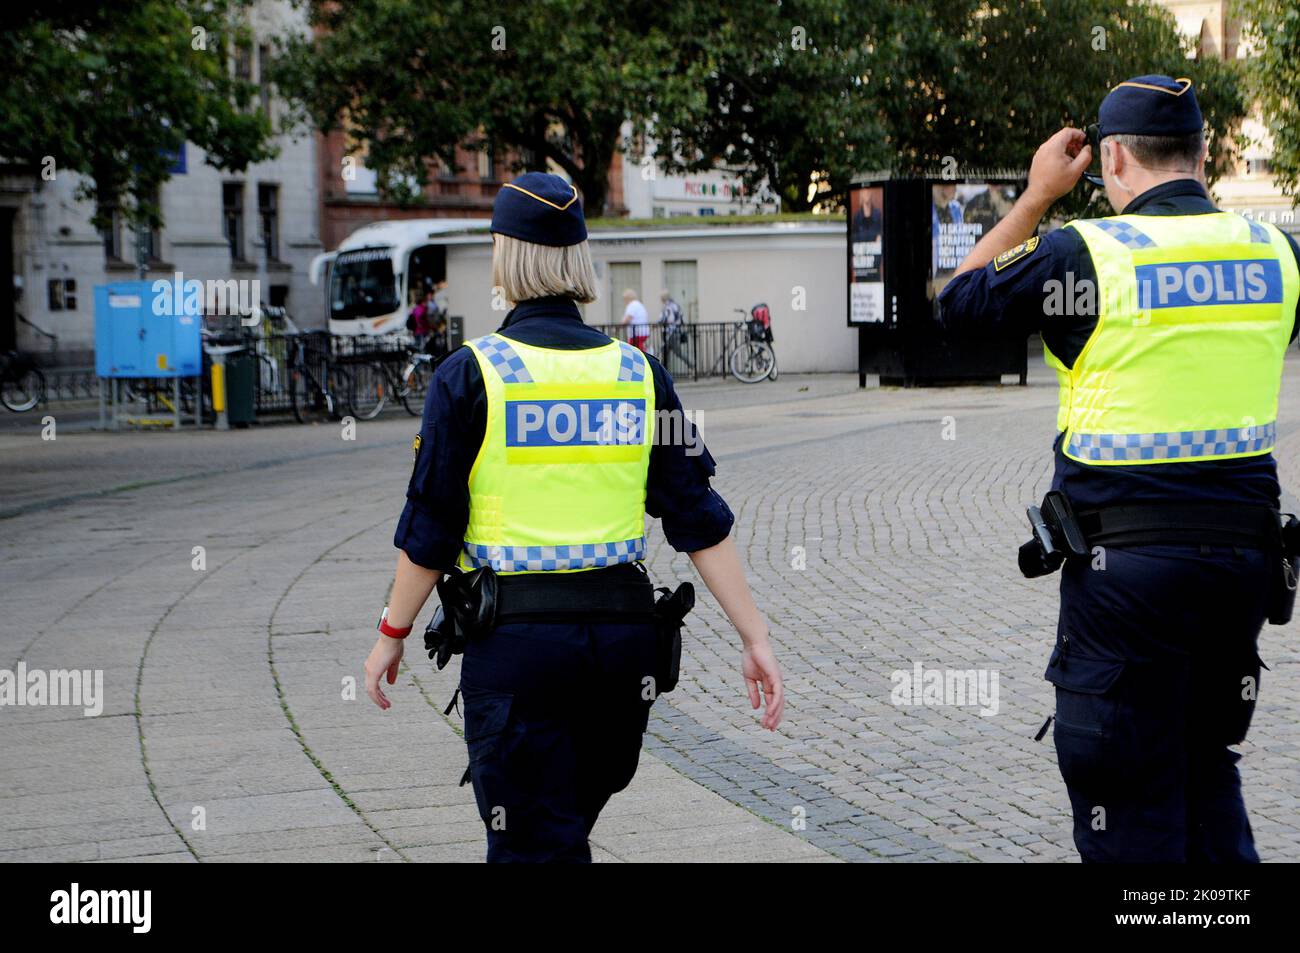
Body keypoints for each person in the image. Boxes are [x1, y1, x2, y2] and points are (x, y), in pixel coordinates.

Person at [363, 172, 784, 863]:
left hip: (519, 652)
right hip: (622, 656)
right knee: (558, 834)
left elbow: (432, 529)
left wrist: (391, 634)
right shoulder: (638, 374)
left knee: (535, 845)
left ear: (507, 255)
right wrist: (755, 636)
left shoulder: (469, 376)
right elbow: (697, 516)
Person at [939, 75, 1300, 863]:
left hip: (1125, 581)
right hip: (1242, 572)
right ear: (1202, 155)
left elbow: (957, 306)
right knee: (1209, 775)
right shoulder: (1275, 252)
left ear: (1110, 160)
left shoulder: (1087, 255)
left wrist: (1036, 198)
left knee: (1128, 799)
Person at [658, 289, 693, 371]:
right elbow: (681, 318)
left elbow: (664, 319)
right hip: (676, 331)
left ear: (663, 298)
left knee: (677, 353)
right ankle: (664, 372)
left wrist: (659, 323)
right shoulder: (676, 305)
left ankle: (692, 366)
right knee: (665, 353)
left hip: (670, 333)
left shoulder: (667, 307)